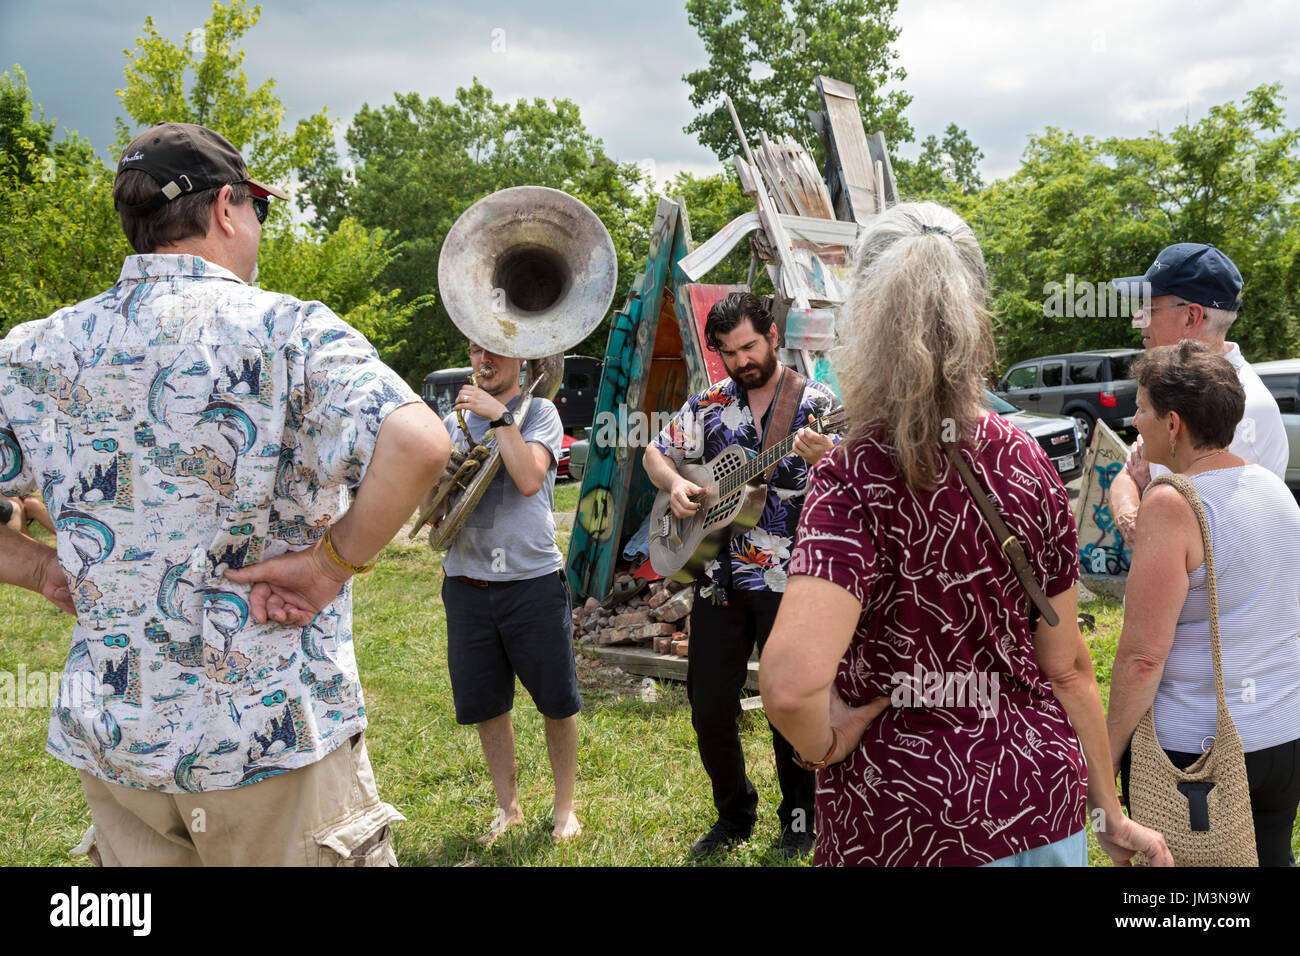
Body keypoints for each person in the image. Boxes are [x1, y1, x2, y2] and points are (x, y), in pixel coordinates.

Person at [0, 122, 450, 866]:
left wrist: (40, 568)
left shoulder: (32, 350)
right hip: (268, 742)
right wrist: (331, 564)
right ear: (225, 210)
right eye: (257, 211)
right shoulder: (290, 331)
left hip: (118, 748)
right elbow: (419, 441)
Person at [759, 202, 1172, 867]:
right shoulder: (1027, 459)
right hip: (1041, 808)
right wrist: (1110, 815)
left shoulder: (851, 474)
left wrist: (823, 743)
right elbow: (1066, 667)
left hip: (902, 823)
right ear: (975, 308)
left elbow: (788, 685)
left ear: (862, 312)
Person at [642, 291, 837, 858]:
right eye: (728, 352)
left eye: (749, 346)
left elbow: (855, 480)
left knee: (788, 705)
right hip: (718, 580)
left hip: (791, 581)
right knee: (709, 707)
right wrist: (674, 483)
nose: (741, 361)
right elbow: (656, 451)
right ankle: (734, 814)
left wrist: (825, 455)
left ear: (774, 336)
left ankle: (801, 818)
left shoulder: (817, 403)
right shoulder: (709, 403)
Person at [1107, 341, 1300, 866]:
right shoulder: (1274, 489)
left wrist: (1104, 761)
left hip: (1198, 752)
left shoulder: (1173, 504)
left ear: (1173, 424)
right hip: (1281, 736)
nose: (1133, 419)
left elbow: (1143, 655)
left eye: (1142, 407)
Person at [433, 341, 583, 845]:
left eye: (495, 351)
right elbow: (431, 504)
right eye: (475, 350)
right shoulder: (452, 420)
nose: (483, 360)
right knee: (487, 705)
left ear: (523, 358)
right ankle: (509, 808)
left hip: (531, 582)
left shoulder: (539, 412)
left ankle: (564, 810)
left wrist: (500, 418)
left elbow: (527, 477)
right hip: (467, 584)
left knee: (556, 702)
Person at [1108, 243, 1286, 545]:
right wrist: (1132, 518)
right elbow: (1125, 476)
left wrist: (1145, 503)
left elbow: (1191, 538)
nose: (1137, 319)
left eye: (1149, 308)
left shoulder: (1241, 410)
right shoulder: (1179, 388)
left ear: (1191, 317)